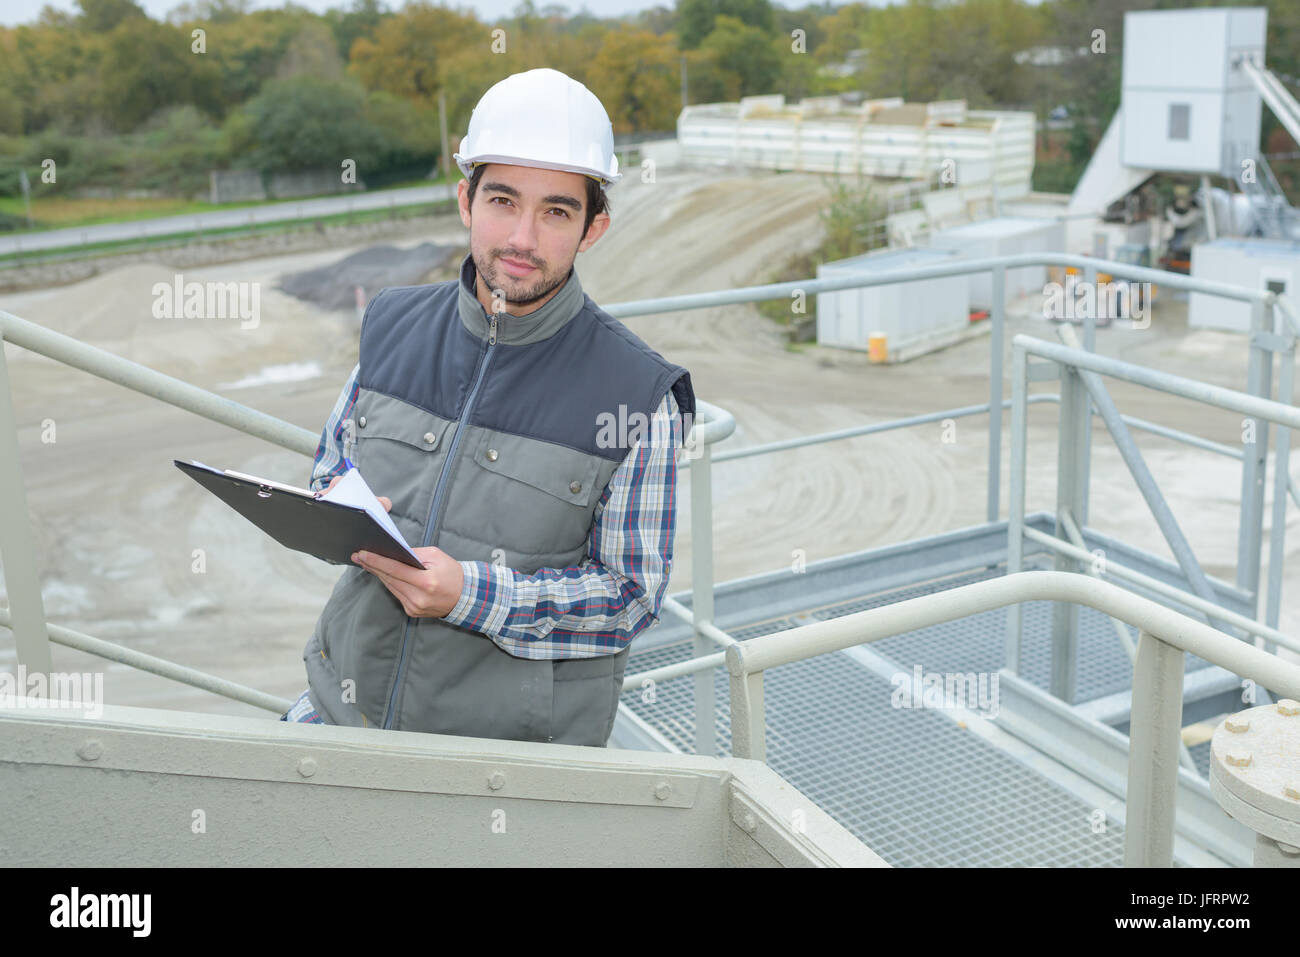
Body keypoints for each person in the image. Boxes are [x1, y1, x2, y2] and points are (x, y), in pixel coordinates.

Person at [279, 68, 696, 747]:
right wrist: (341, 510)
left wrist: (473, 595)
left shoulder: (638, 395)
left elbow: (628, 597)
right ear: (466, 200)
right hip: (337, 714)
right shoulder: (391, 325)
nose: (523, 239)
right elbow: (330, 465)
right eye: (503, 200)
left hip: (504, 765)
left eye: (556, 212)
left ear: (593, 228)